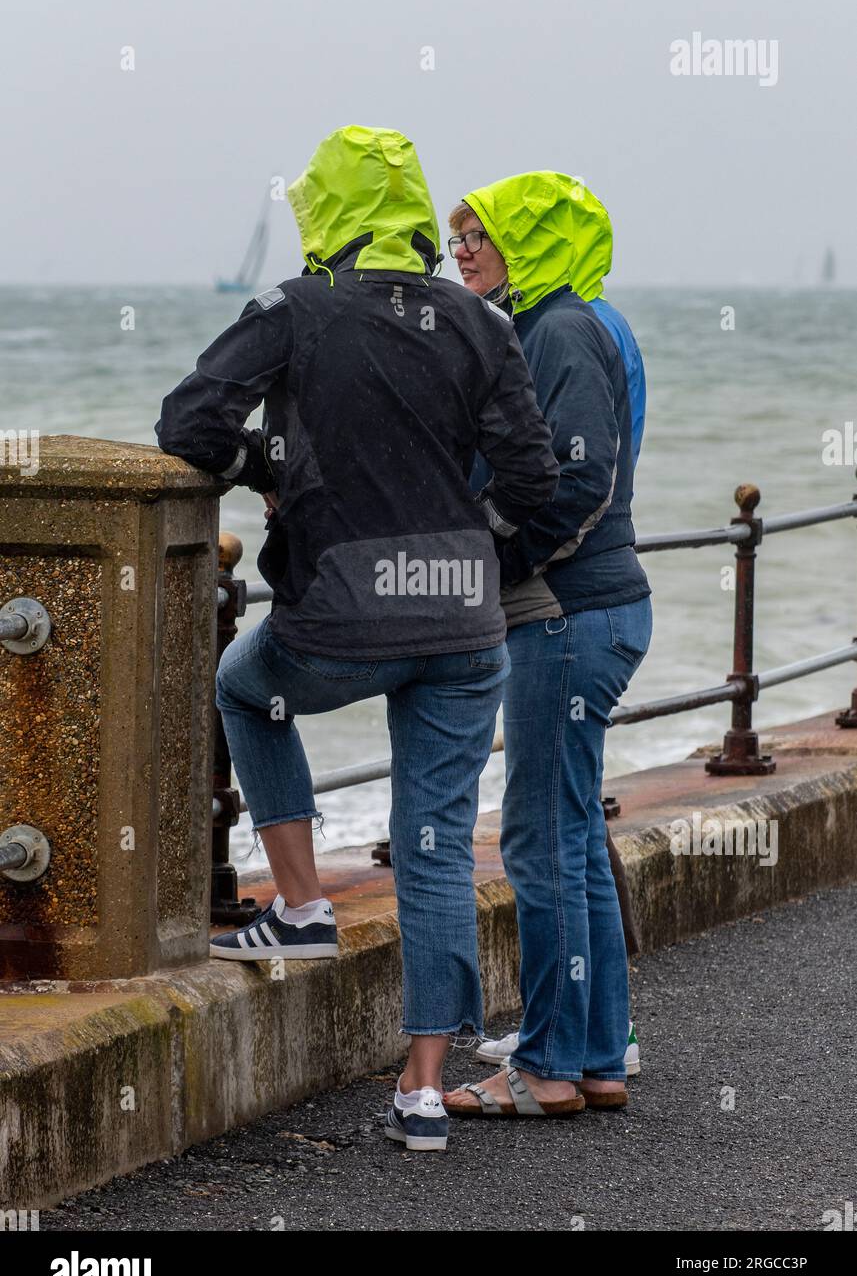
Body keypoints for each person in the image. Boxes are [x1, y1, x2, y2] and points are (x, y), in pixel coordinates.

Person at [155, 126, 559, 1152]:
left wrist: (267, 467)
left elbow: (187, 420)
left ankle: (296, 905)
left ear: (323, 214)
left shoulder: (296, 308)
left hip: (341, 616)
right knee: (431, 847)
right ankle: (423, 1091)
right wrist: (474, 558)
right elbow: (531, 480)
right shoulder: (475, 319)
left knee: (245, 689)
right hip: (466, 627)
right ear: (415, 215)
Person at [441, 172, 652, 1120]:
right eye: (453, 232)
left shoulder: (560, 327)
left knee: (540, 845)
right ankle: (596, 1056)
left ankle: (545, 1065)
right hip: (593, 613)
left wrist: (500, 562)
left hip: (564, 616)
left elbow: (579, 481)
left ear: (527, 235)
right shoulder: (567, 321)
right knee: (569, 836)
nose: (461, 247)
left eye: (479, 230)